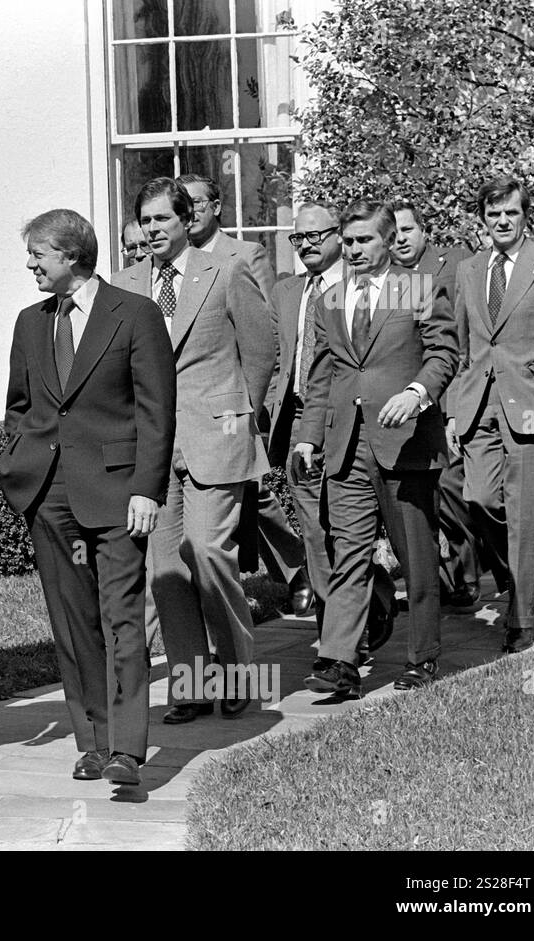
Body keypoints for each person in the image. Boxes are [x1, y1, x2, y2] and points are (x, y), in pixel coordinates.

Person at [0, 209, 175, 785]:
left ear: (71, 256)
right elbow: (19, 407)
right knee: (74, 628)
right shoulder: (31, 323)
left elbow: (156, 413)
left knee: (122, 619)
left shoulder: (137, 315)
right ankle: (94, 741)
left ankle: (127, 748)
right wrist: (18, 468)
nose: (30, 265)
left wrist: (147, 489)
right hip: (48, 497)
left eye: (38, 255)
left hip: (119, 495)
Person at [116, 178, 275, 724]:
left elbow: (260, 349)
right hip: (152, 449)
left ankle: (238, 675)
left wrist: (237, 418)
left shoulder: (226, 270)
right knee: (167, 572)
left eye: (163, 219)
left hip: (217, 439)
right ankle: (190, 686)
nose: (153, 230)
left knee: (207, 552)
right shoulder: (126, 284)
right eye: (146, 221)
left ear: (187, 220)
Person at [295, 200, 457, 698]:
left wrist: (416, 393)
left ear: (388, 241)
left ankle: (422, 657)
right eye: (347, 241)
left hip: (405, 443)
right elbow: (321, 373)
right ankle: (339, 659)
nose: (353, 248)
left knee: (415, 555)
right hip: (347, 444)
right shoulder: (331, 298)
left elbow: (445, 352)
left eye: (364, 240)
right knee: (348, 552)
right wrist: (308, 435)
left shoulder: (417, 287)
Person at [447, 177, 534, 651]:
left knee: (525, 515)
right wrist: (451, 411)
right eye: (493, 214)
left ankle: (521, 620)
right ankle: (520, 572)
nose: (502, 222)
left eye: (511, 214)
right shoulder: (469, 269)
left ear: (525, 217)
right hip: (478, 406)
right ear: (481, 218)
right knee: (478, 497)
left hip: (531, 409)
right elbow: (462, 347)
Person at [269, 202, 399, 652]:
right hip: (301, 426)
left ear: (337, 237)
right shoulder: (287, 293)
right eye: (297, 238)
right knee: (316, 537)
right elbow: (278, 361)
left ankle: (363, 616)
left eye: (315, 236)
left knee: (349, 532)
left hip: (351, 423)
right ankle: (338, 633)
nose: (305, 244)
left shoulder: (360, 287)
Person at [178, 173, 311, 613]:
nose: (190, 211)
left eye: (197, 203)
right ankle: (278, 573)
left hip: (237, 402)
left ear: (216, 206)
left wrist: (253, 407)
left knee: (253, 493)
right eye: (184, 204)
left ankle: (295, 571)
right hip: (191, 409)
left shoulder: (245, 255)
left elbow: (264, 335)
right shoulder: (174, 264)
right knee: (245, 499)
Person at [388, 198, 485, 609]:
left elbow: (466, 338)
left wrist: (457, 411)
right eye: (393, 234)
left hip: (455, 395)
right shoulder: (386, 279)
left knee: (458, 492)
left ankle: (485, 566)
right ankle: (448, 580)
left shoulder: (456, 264)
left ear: (423, 229)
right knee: (424, 501)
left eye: (407, 230)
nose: (401, 240)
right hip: (407, 406)